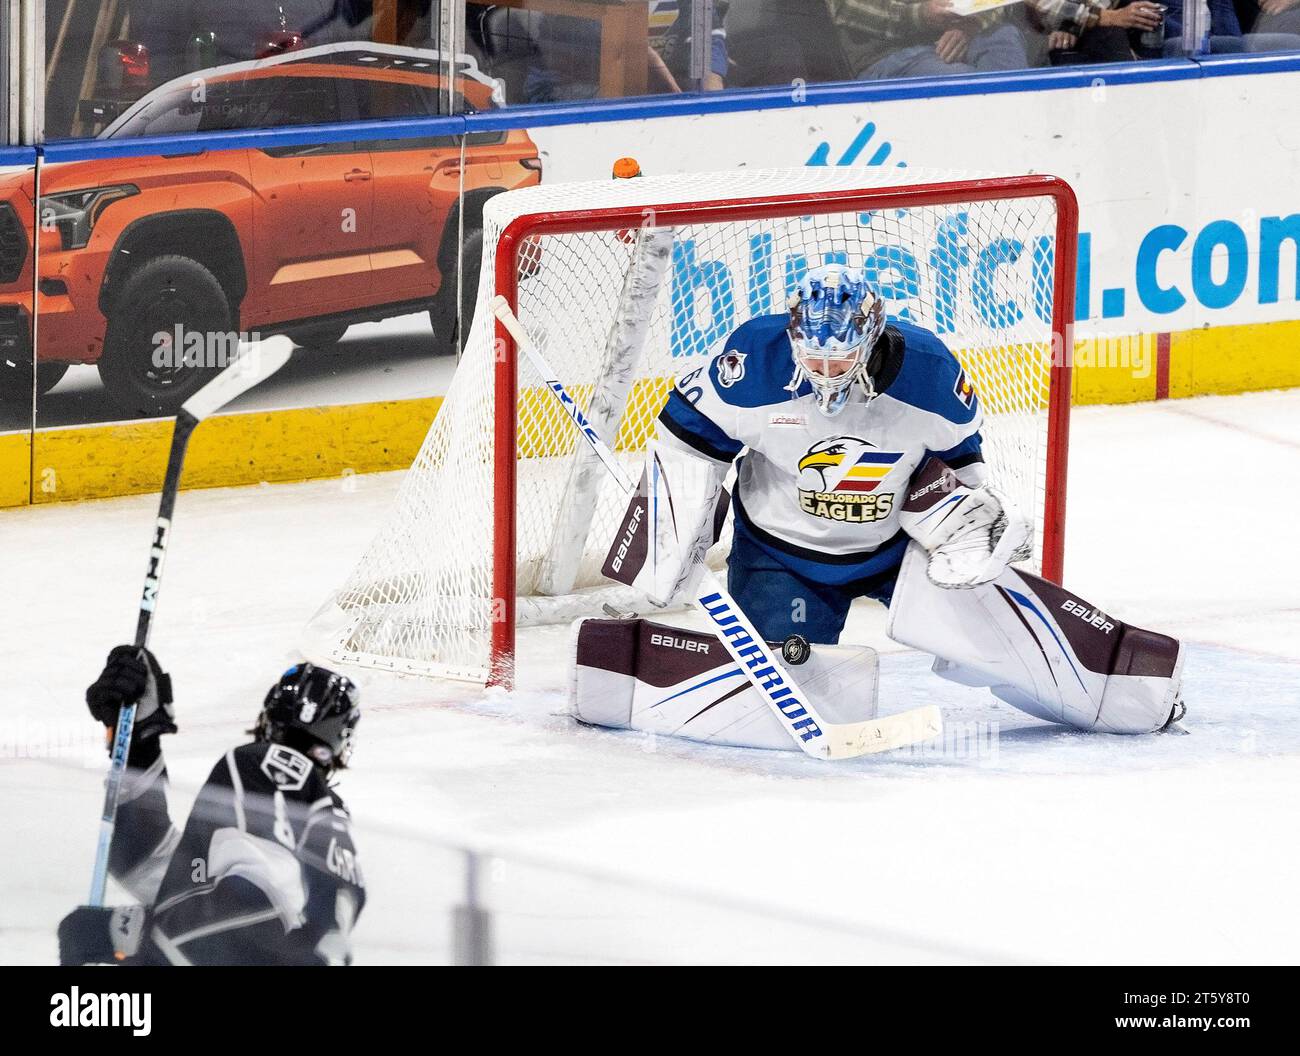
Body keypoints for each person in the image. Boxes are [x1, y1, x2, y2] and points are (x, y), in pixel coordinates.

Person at [607, 265, 1186, 738]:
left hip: (898, 548)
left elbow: (965, 466)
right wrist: (672, 531)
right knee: (779, 690)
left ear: (871, 337)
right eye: (813, 360)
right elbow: (689, 442)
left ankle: (1135, 684)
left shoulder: (929, 374)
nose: (825, 374)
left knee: (1005, 646)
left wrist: (971, 522)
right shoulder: (750, 362)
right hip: (780, 555)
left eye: (839, 361)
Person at [58, 649, 365, 966]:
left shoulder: (257, 765)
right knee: (84, 933)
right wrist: (139, 746)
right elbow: (152, 868)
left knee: (82, 936)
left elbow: (241, 922)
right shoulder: (331, 826)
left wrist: (139, 940)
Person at [827, 0, 1029, 80]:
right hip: (887, 57)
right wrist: (919, 16)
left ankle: (1021, 144)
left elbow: (1000, 4)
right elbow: (844, 7)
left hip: (961, 34)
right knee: (969, 84)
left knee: (1004, 37)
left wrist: (970, 25)